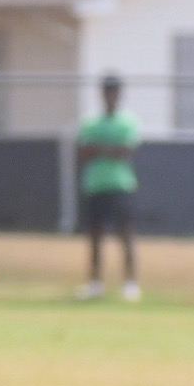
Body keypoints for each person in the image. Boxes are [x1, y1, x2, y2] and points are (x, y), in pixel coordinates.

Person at [75, 73, 142, 301]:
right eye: (107, 91)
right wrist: (108, 149)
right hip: (95, 185)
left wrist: (100, 148)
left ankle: (130, 283)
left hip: (121, 184)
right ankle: (95, 283)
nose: (110, 96)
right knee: (95, 235)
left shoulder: (127, 121)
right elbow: (83, 152)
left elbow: (126, 151)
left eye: (114, 91)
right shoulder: (91, 122)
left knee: (126, 234)